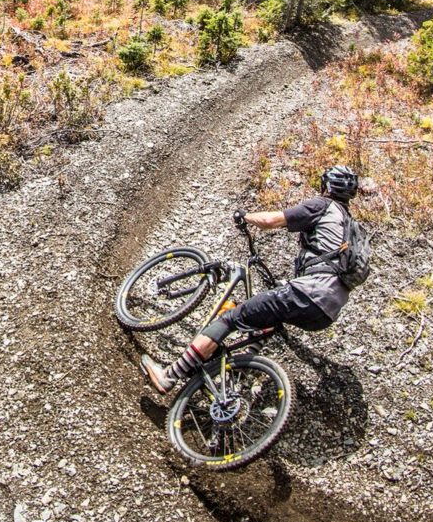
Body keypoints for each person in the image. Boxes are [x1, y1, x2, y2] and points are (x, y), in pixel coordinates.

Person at [140, 165, 360, 393]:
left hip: (309, 292)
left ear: (326, 187)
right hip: (326, 312)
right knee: (267, 320)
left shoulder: (322, 206)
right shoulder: (351, 227)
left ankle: (170, 375)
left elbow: (270, 220)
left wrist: (246, 216)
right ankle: (239, 374)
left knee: (228, 319)